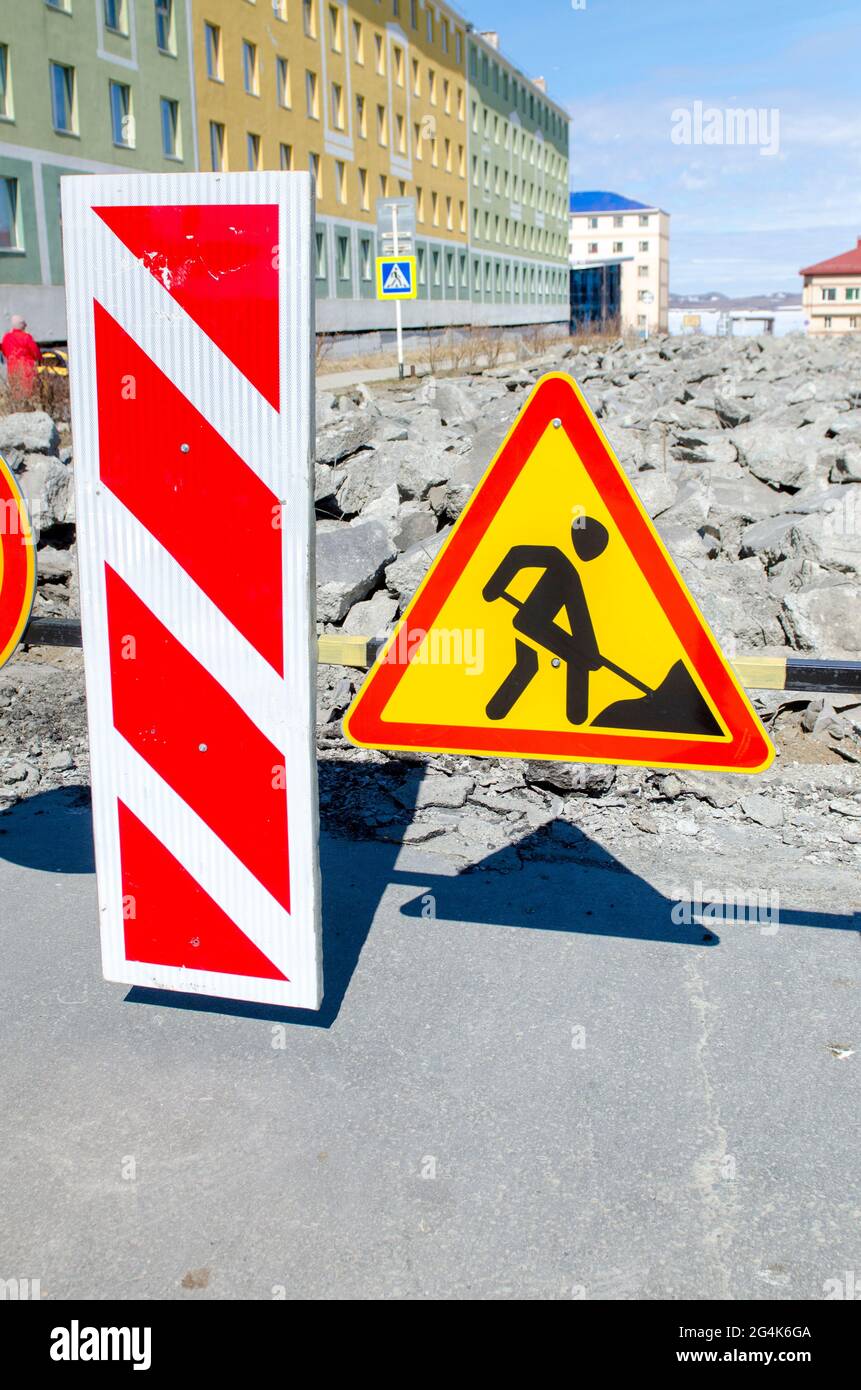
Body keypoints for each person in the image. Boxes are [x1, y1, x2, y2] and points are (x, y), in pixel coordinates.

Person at [482, 515, 610, 725]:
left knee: (532, 665)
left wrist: (589, 651)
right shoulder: (559, 560)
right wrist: (493, 587)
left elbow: (578, 615)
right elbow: (517, 555)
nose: (593, 554)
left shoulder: (570, 572)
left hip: (532, 624)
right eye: (594, 547)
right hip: (531, 622)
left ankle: (576, 716)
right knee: (540, 663)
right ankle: (576, 716)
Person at [1, 314, 42, 402]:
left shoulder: (6, 337)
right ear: (21, 325)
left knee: (16, 389)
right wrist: (39, 359)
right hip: (27, 368)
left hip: (13, 368)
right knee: (29, 391)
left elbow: (5, 351)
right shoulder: (27, 337)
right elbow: (36, 353)